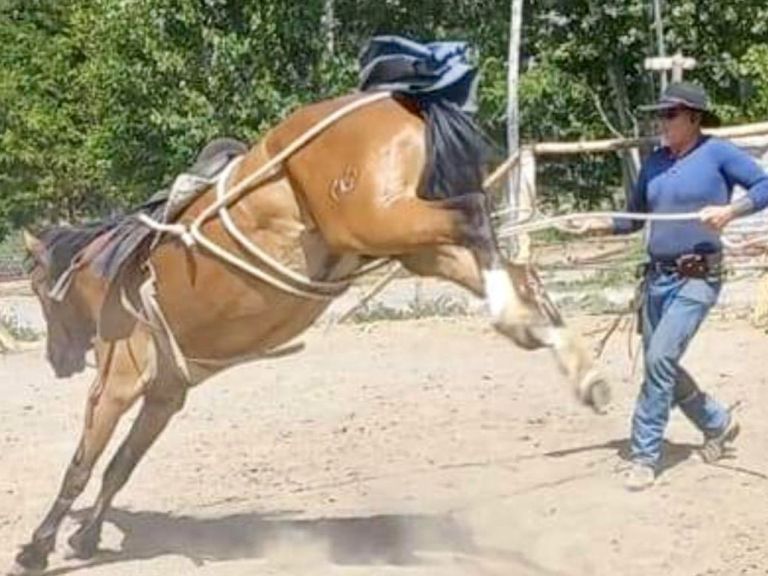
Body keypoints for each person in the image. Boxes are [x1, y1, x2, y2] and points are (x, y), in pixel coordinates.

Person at [567, 82, 768, 491]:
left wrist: (732, 210)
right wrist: (600, 224)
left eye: (670, 114)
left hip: (698, 277)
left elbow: (765, 187)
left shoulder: (718, 154)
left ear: (694, 118)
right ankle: (717, 422)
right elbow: (634, 217)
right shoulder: (654, 162)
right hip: (656, 279)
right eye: (660, 114)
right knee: (663, 365)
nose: (662, 121)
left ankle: (645, 455)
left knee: (659, 359)